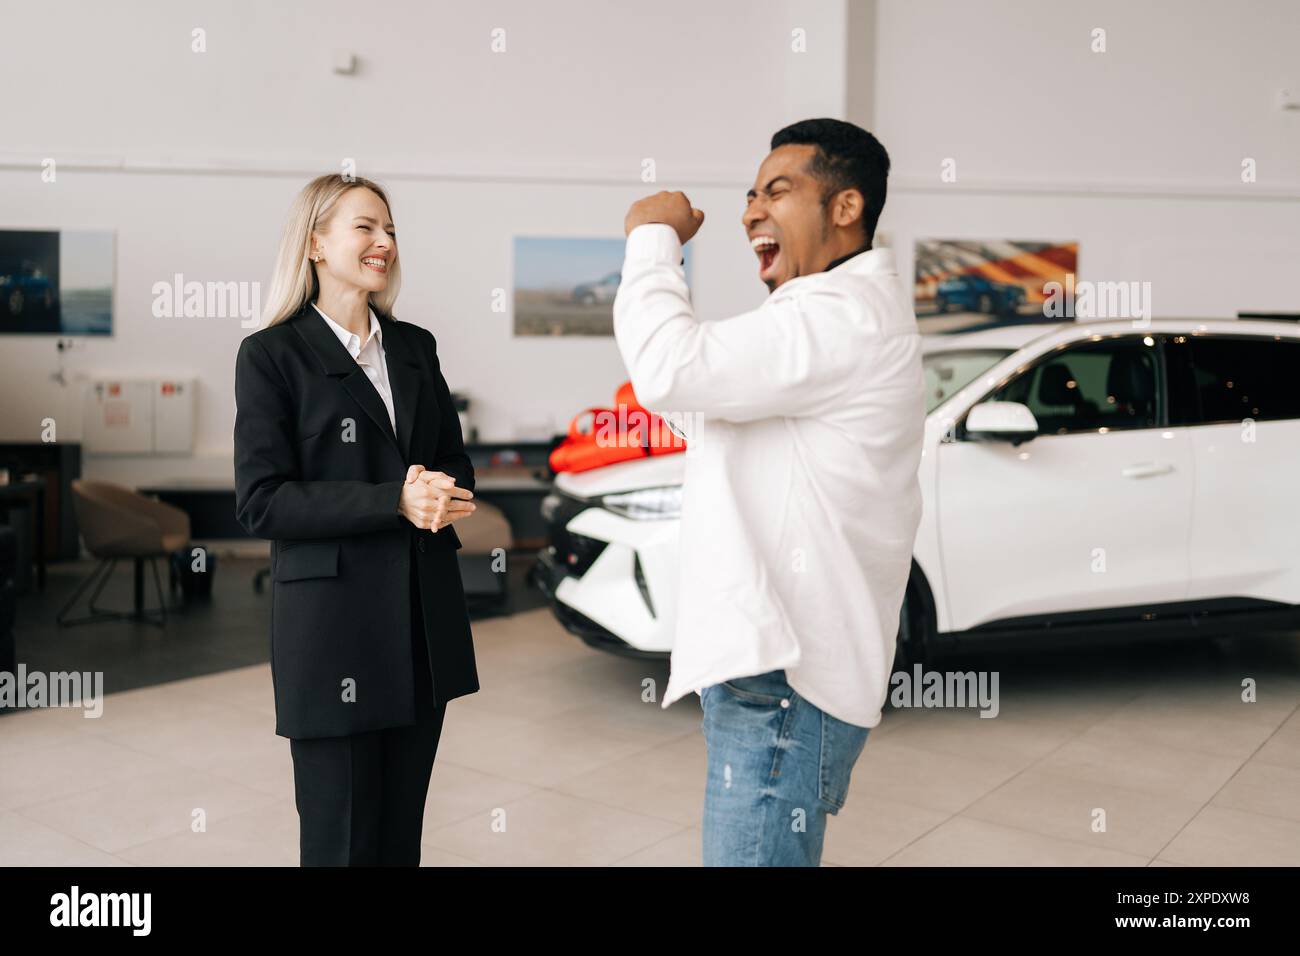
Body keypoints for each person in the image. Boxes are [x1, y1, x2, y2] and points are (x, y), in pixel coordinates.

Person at [612, 118, 925, 866]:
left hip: (785, 679)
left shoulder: (840, 316)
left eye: (777, 190)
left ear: (845, 207)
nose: (753, 208)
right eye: (750, 193)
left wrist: (652, 240)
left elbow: (669, 370)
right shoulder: (821, 318)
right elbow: (696, 401)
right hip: (774, 675)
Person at [233, 173, 479, 865]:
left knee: (400, 840)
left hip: (419, 626)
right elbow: (261, 500)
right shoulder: (271, 356)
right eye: (365, 227)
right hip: (333, 632)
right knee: (342, 842)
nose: (384, 243)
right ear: (315, 243)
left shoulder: (414, 347)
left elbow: (455, 465)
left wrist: (442, 492)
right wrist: (393, 499)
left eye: (390, 229)